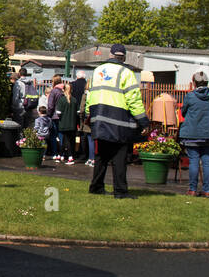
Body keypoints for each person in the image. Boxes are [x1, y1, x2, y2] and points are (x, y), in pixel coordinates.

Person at [85, 44, 149, 198]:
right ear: (124, 57)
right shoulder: (126, 72)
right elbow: (133, 100)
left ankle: (96, 187)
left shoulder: (97, 71)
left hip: (99, 119)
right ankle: (120, 191)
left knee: (101, 156)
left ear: (111, 55)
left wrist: (88, 114)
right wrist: (143, 121)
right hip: (119, 121)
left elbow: (90, 94)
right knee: (119, 158)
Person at [179, 71, 209, 197]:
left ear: (194, 83)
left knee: (194, 161)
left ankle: (192, 189)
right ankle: (207, 190)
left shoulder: (190, 96)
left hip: (192, 133)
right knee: (207, 161)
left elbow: (183, 112)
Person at [58, 79, 78, 166]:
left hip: (64, 123)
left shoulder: (62, 100)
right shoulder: (74, 100)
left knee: (66, 141)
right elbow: (77, 112)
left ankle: (70, 157)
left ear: (63, 90)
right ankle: (60, 155)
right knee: (67, 140)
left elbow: (58, 113)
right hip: (72, 123)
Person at [45, 76, 65, 160]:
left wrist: (48, 115)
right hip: (63, 116)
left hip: (54, 116)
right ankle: (62, 153)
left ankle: (55, 153)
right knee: (61, 135)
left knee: (53, 135)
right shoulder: (64, 91)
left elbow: (50, 106)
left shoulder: (53, 91)